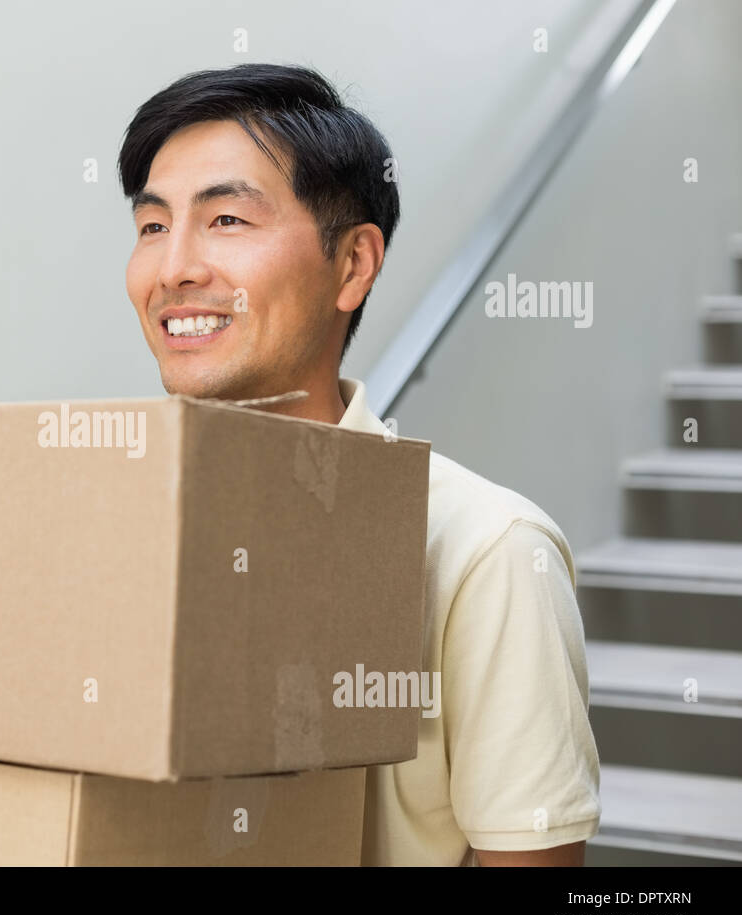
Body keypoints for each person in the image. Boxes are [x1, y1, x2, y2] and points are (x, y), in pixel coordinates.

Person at [118, 63, 601, 866]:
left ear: (353, 266)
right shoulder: (114, 515)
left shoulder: (488, 550)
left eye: (228, 220)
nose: (174, 270)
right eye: (153, 227)